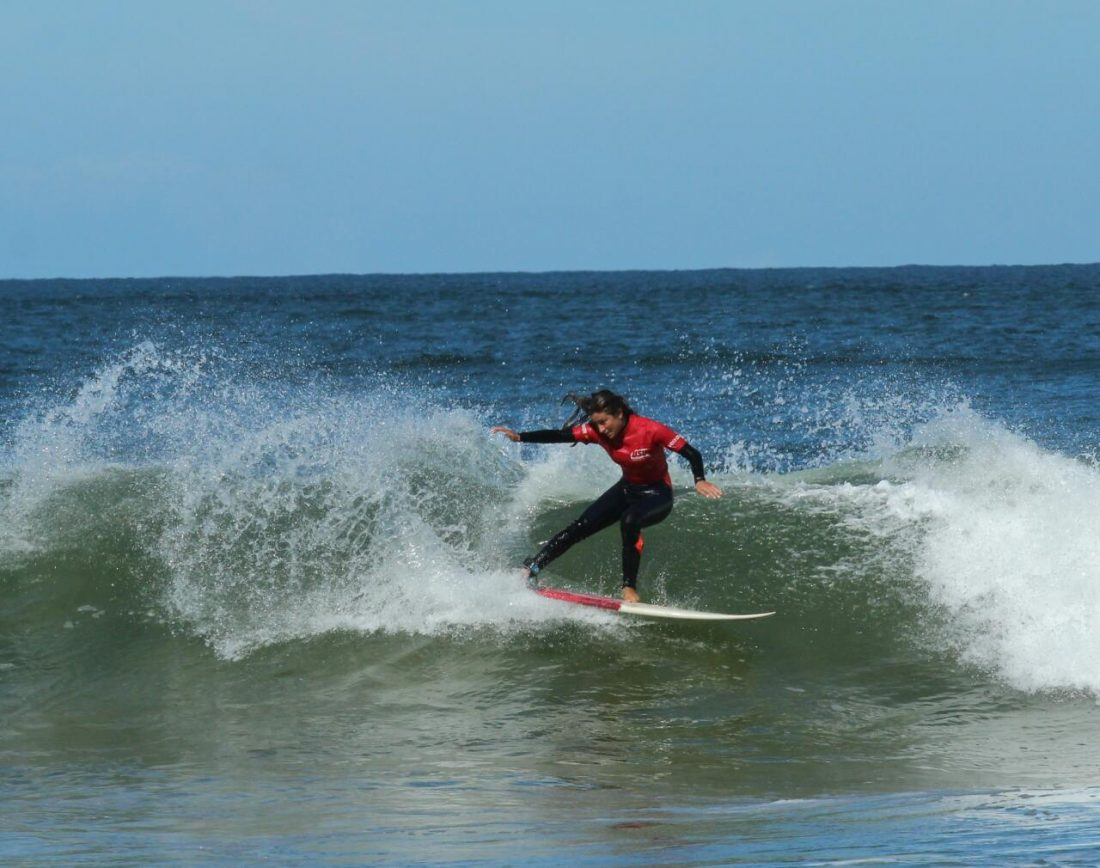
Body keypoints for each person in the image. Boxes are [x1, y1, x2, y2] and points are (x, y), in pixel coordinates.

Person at [492, 389, 722, 603]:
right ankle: (531, 569)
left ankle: (629, 587)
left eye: (604, 422)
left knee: (630, 520)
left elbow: (691, 453)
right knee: (580, 526)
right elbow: (560, 435)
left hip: (657, 493)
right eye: (596, 423)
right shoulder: (595, 431)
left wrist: (699, 480)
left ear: (619, 414)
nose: (601, 429)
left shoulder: (650, 429)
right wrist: (520, 436)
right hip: (626, 488)